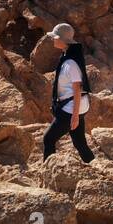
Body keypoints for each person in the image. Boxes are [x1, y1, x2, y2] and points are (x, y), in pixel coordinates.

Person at [42, 23, 95, 162]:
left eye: (55, 37)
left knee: (48, 139)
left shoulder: (70, 63)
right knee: (79, 142)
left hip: (71, 108)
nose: (53, 40)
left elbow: (77, 88)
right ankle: (95, 165)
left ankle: (47, 172)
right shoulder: (68, 56)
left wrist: (75, 116)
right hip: (75, 106)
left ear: (62, 40)